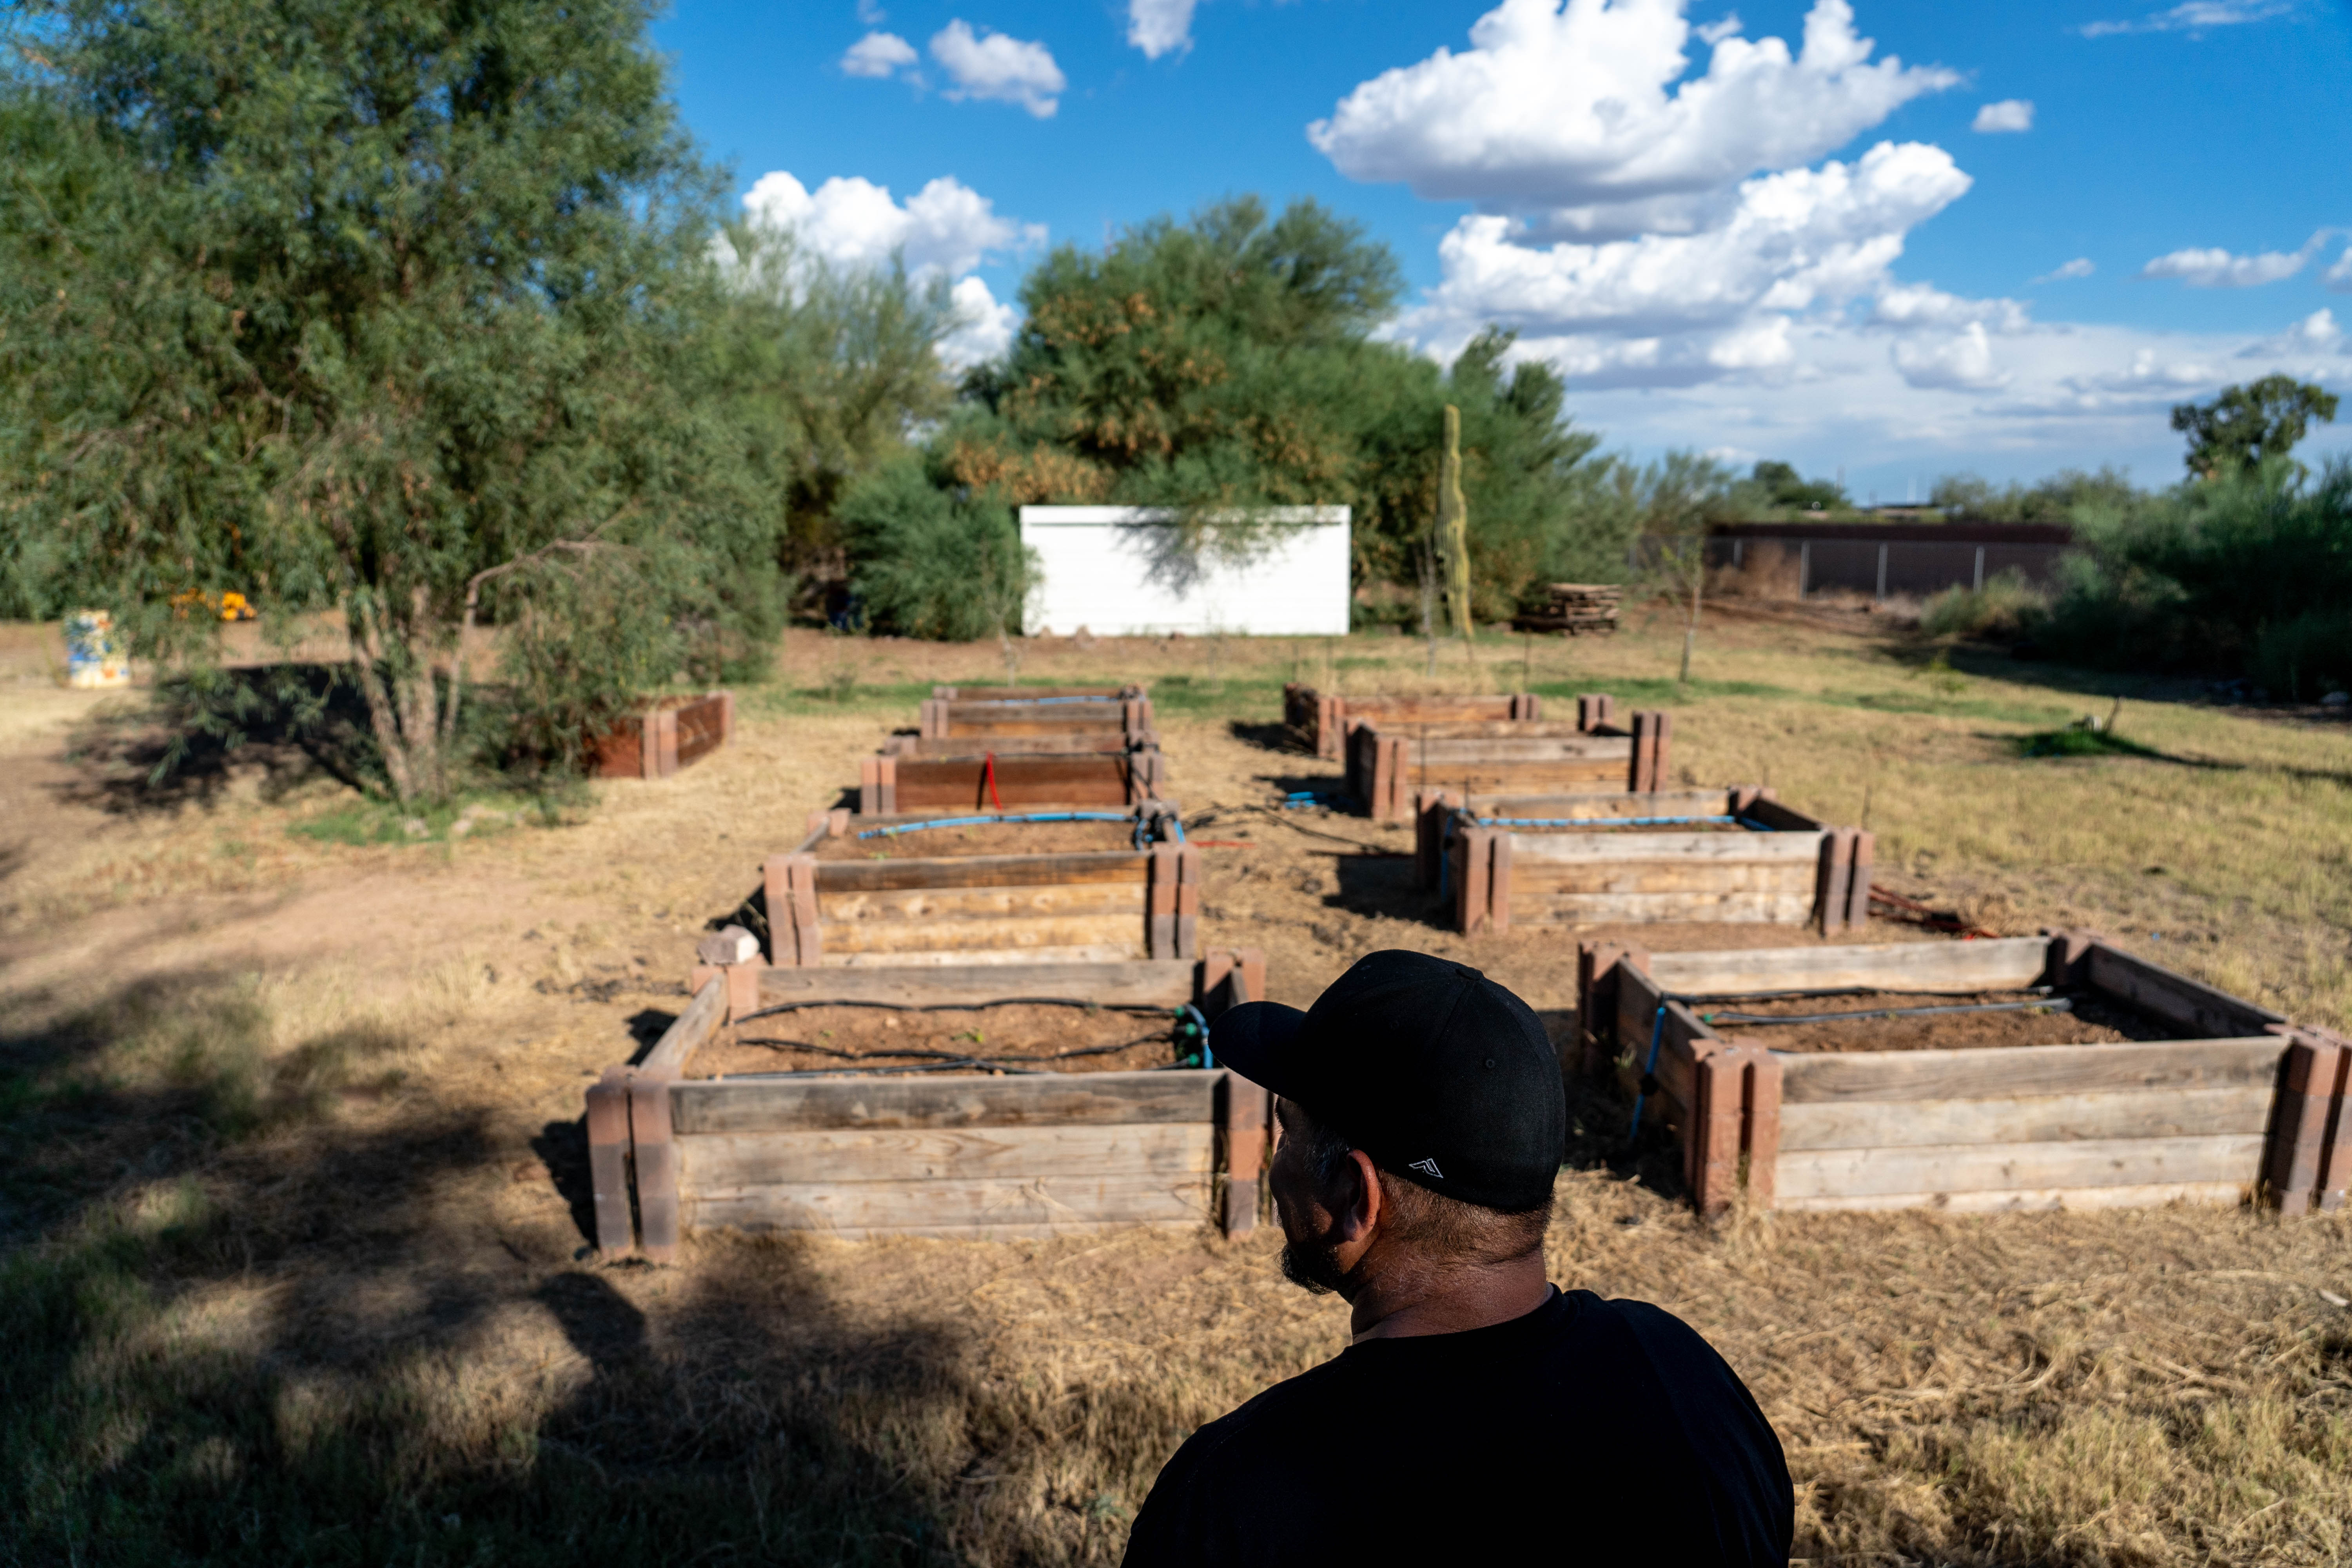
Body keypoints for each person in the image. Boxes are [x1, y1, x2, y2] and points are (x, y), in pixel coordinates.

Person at [1122, 950, 1793, 1565]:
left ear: (1357, 1196)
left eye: (1288, 1133)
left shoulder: (1236, 1497)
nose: (1277, 1162)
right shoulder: (1688, 1382)